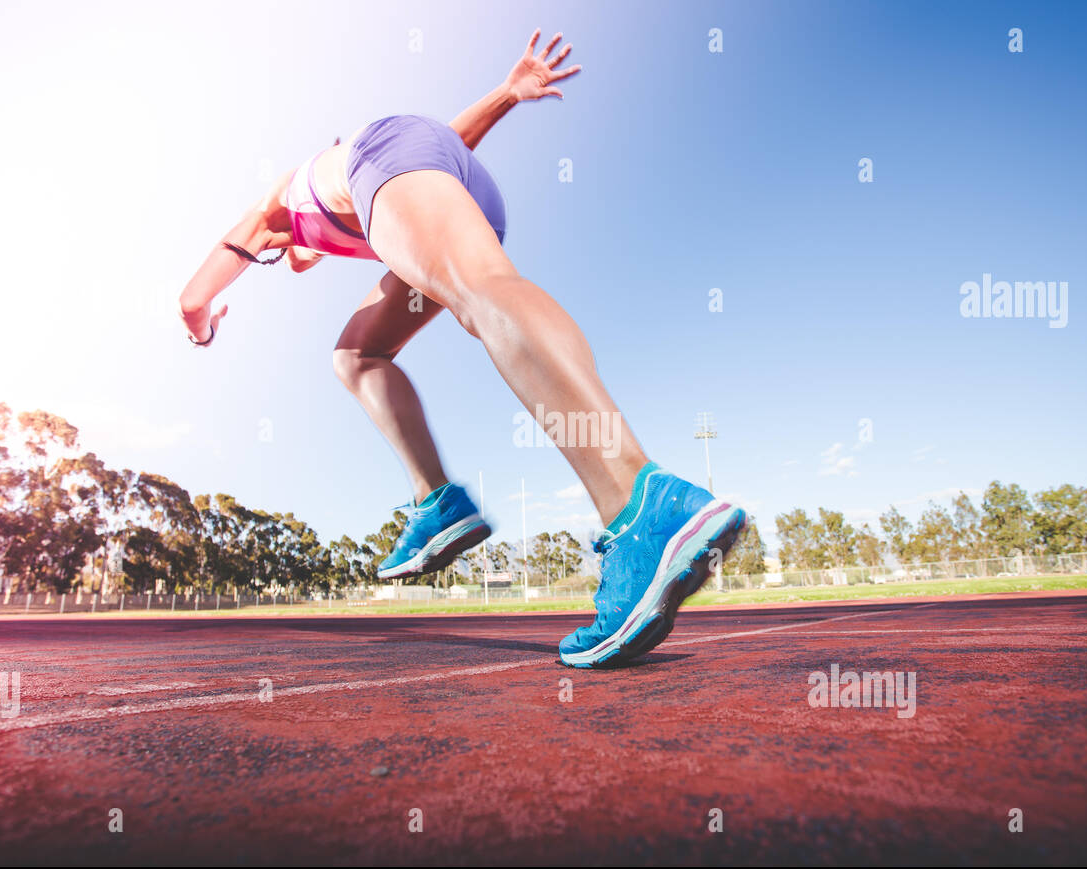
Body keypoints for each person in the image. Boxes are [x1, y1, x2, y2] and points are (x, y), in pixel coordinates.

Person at [177, 30, 744, 667]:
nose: (294, 262)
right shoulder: (363, 207)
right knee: (358, 355)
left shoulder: (276, 207)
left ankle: (640, 505)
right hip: (455, 174)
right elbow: (442, 145)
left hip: (401, 151)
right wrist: (508, 93)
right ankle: (438, 501)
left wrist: (206, 327)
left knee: (482, 291)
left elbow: (192, 300)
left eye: (283, 257)